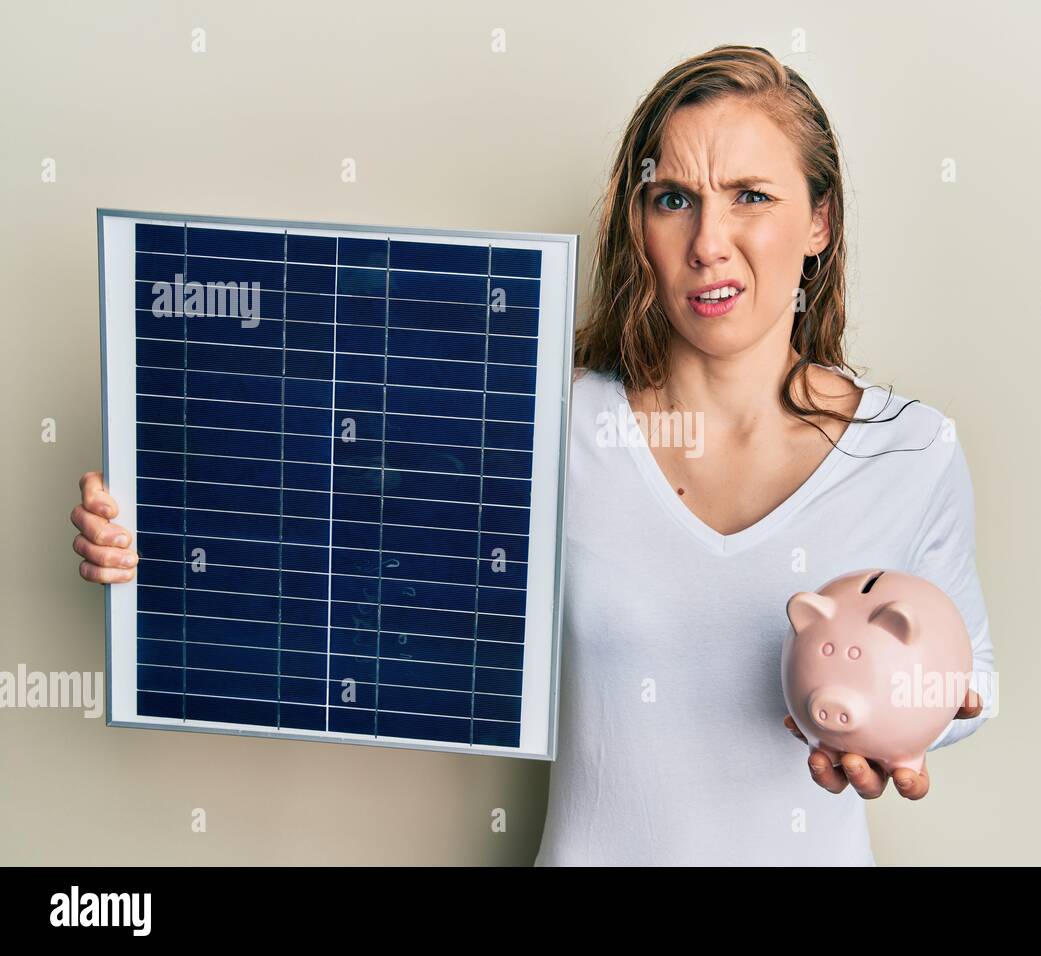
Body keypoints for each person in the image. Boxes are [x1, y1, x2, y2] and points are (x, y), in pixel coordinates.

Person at [71, 45, 994, 865]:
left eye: (752, 196)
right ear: (641, 224)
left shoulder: (910, 449)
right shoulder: (550, 426)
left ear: (820, 223)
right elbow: (342, 558)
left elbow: (970, 675)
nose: (710, 244)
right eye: (674, 199)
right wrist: (164, 542)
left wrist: (911, 733)